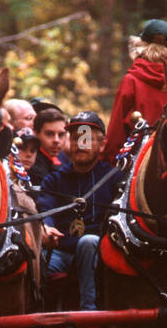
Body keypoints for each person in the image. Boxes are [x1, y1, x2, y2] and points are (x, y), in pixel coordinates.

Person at [38, 112, 121, 310]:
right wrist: (47, 229)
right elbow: (45, 210)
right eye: (76, 138)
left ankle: (88, 311)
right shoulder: (54, 180)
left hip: (100, 254)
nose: (81, 144)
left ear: (101, 145)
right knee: (35, 260)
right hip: (61, 251)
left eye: (87, 139)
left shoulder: (113, 178)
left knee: (88, 242)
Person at [102, 19, 167, 161]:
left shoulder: (131, 81)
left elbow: (116, 130)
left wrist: (108, 160)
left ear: (141, 45)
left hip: (136, 160)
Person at [31, 106, 67, 184]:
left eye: (61, 135)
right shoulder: (31, 163)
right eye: (49, 134)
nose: (56, 140)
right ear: (36, 134)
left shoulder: (64, 160)